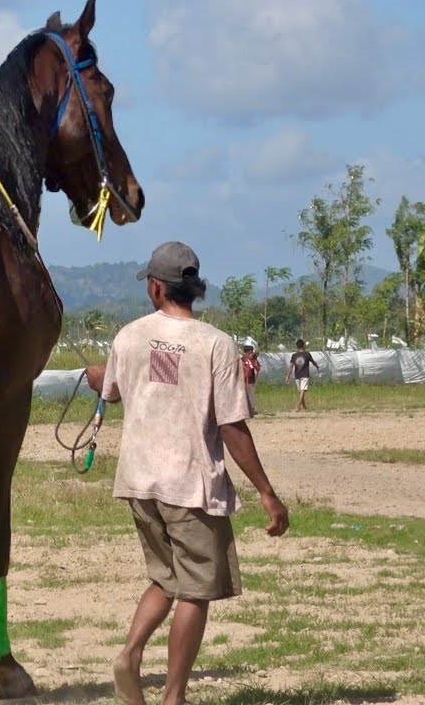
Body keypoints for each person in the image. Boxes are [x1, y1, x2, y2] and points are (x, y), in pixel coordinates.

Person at [84, 242, 289, 705]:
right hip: (189, 485)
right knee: (194, 592)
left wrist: (97, 377)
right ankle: (173, 697)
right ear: (193, 289)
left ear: (156, 287)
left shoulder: (128, 337)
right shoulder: (214, 344)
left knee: (165, 579)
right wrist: (266, 492)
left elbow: (111, 390)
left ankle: (130, 653)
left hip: (139, 483)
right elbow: (231, 426)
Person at [283, 339, 320, 412]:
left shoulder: (294, 355)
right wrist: (317, 367)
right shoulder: (307, 354)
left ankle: (299, 406)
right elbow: (313, 362)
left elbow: (291, 367)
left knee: (301, 391)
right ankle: (301, 406)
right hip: (304, 375)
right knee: (301, 391)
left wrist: (287, 377)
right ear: (303, 345)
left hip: (298, 375)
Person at [240, 345, 261, 416]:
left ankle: (251, 409)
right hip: (243, 380)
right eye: (251, 351)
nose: (252, 353)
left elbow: (257, 352)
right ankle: (245, 410)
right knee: (244, 395)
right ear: (248, 352)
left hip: (250, 380)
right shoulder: (242, 359)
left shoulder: (252, 359)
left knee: (250, 395)